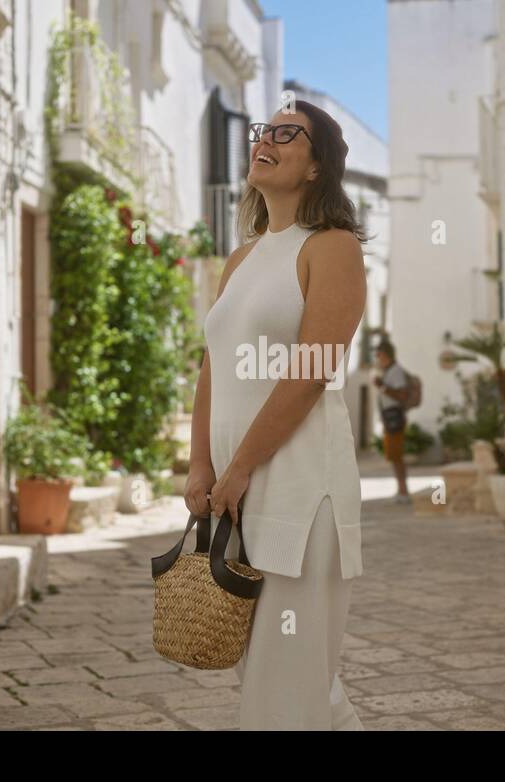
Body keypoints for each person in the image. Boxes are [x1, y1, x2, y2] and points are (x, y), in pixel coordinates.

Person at [184, 100, 367, 731]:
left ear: (317, 167)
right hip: (235, 489)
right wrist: (200, 465)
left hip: (297, 485)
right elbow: (213, 366)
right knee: (297, 682)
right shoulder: (242, 258)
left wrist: (238, 468)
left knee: (283, 684)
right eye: (265, 129)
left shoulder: (332, 248)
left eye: (289, 133)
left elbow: (312, 372)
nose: (266, 139)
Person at [373, 340, 411, 503]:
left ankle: (403, 491)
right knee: (394, 455)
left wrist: (382, 386)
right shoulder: (388, 371)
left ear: (386, 354)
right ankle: (401, 489)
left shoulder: (396, 371)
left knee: (397, 456)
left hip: (394, 416)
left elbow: (402, 395)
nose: (377, 357)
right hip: (390, 417)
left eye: (379, 354)